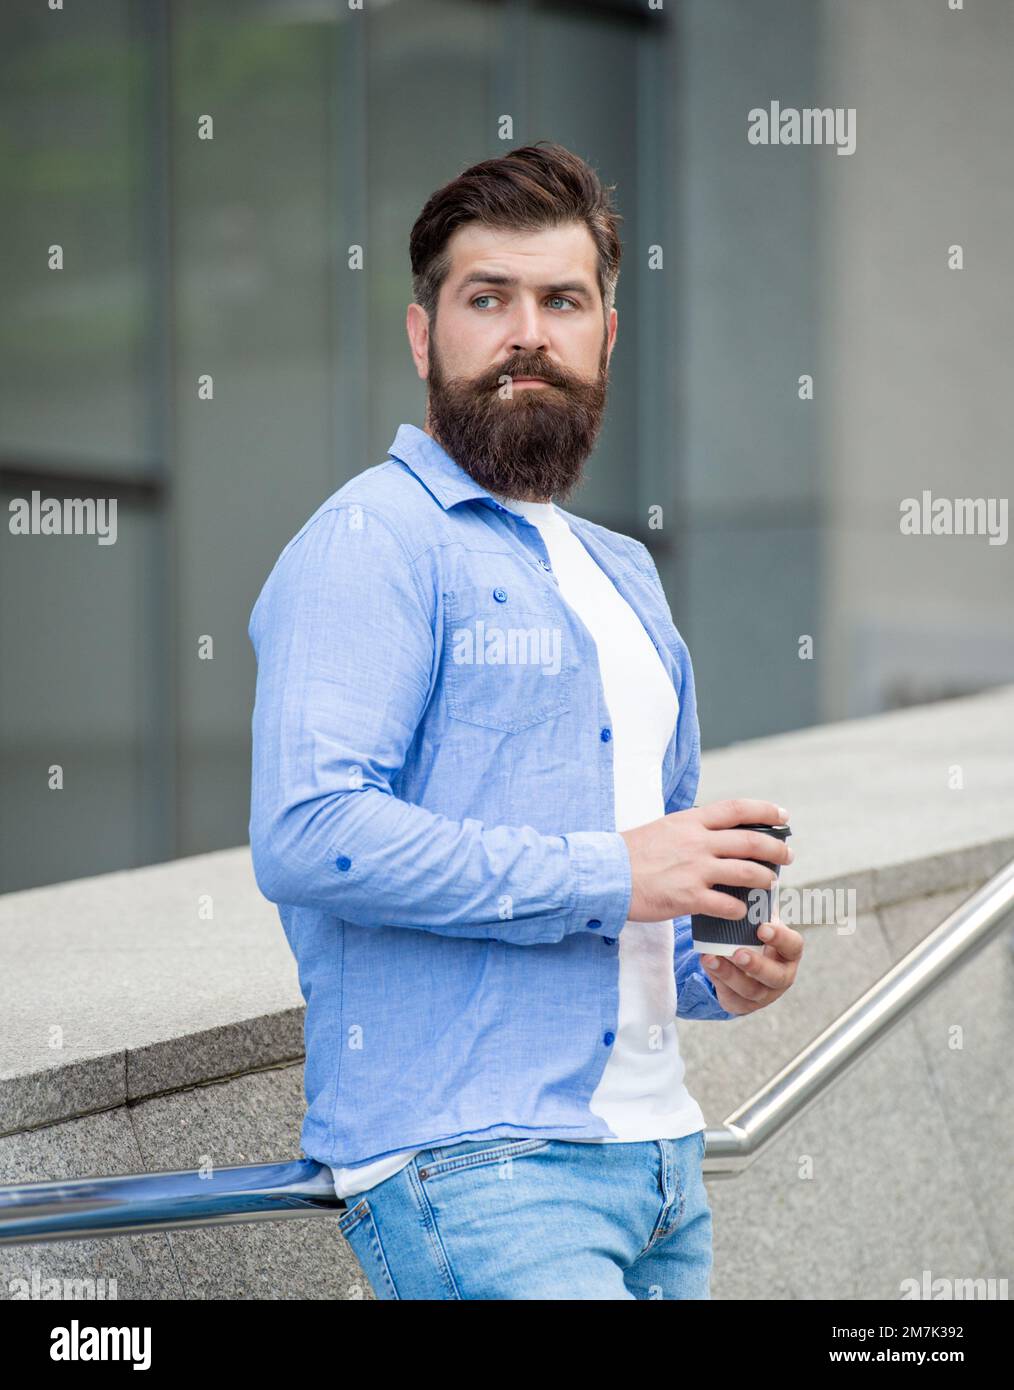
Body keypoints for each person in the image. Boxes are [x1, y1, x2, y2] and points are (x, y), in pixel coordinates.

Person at [247, 142, 803, 1300]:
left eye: (562, 301)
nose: (527, 334)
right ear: (423, 334)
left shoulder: (624, 573)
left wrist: (718, 964)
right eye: (487, 299)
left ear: (608, 333)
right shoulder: (372, 541)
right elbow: (310, 831)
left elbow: (642, 880)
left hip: (661, 1163)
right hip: (481, 1172)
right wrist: (615, 870)